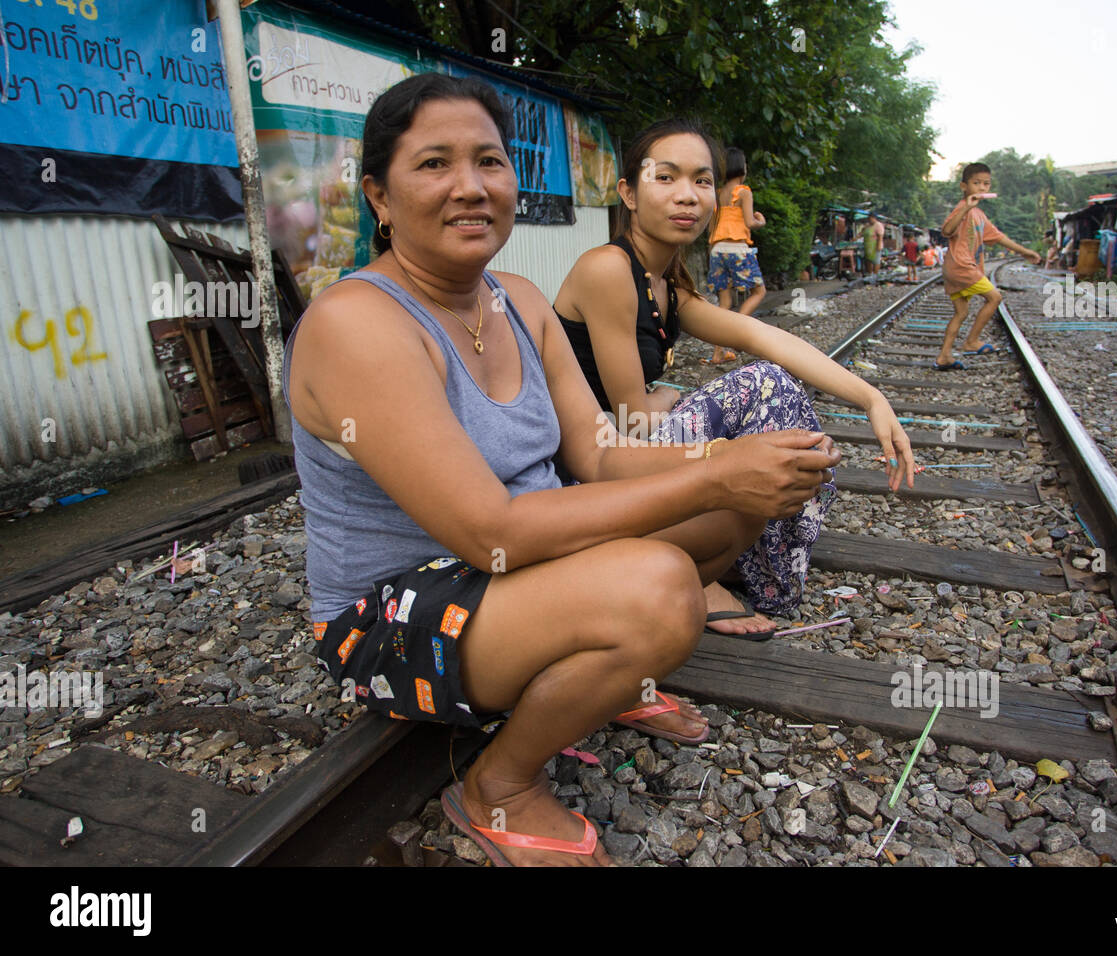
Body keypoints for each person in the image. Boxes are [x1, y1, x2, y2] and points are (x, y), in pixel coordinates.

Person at [283, 75, 842, 866]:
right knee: (661, 591)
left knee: (734, 515)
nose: (471, 188)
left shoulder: (517, 300)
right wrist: (714, 473)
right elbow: (490, 532)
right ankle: (497, 787)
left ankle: (599, 678)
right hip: (389, 616)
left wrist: (735, 462)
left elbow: (598, 453)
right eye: (434, 165)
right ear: (379, 195)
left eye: (489, 161)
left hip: (521, 575)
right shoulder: (356, 324)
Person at [554, 118, 916, 637]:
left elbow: (766, 337)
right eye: (666, 178)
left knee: (770, 383)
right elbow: (632, 420)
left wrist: (871, 397)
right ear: (628, 193)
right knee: (763, 386)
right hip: (586, 475)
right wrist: (667, 399)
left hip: (620, 451)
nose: (688, 196)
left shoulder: (667, 284)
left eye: (702, 181)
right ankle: (711, 575)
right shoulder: (608, 269)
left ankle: (731, 559)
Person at [935, 163, 1041, 370]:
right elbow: (946, 230)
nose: (982, 188)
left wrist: (1025, 252)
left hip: (957, 267)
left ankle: (944, 356)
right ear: (964, 186)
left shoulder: (979, 215)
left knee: (961, 313)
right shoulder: (963, 209)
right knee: (995, 297)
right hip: (961, 266)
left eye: (986, 184)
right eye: (976, 183)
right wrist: (966, 205)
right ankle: (971, 341)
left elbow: (1000, 238)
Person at [703, 147, 766, 365]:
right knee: (758, 291)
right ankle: (737, 327)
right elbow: (749, 222)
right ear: (741, 167)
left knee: (725, 301)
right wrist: (761, 221)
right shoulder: (744, 191)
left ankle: (717, 353)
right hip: (738, 249)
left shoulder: (717, 193)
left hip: (717, 250)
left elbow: (710, 225)